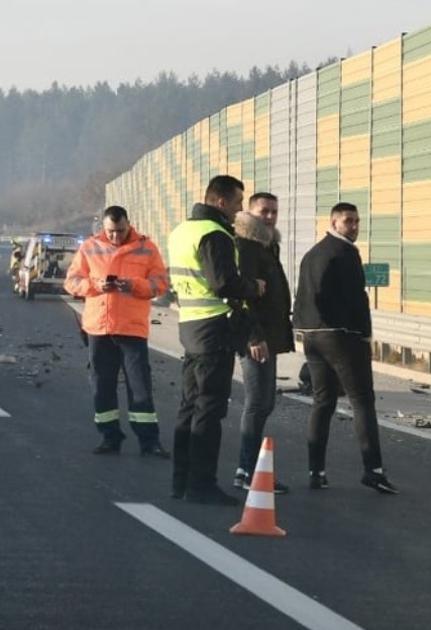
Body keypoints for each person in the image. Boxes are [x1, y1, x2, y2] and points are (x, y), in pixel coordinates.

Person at [167, 175, 265, 505]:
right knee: (210, 408)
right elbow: (223, 283)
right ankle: (202, 484)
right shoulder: (215, 234)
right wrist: (253, 287)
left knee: (189, 405)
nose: (240, 209)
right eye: (238, 203)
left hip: (189, 326)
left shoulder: (182, 230)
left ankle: (180, 481)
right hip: (214, 327)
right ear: (220, 202)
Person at [292, 202, 397, 494]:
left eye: (356, 221)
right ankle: (373, 470)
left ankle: (316, 471)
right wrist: (363, 335)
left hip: (312, 335)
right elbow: (356, 300)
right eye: (348, 221)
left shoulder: (312, 253)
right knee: (362, 400)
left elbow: (304, 294)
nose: (354, 226)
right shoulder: (345, 253)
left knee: (323, 401)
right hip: (340, 335)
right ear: (334, 222)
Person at [64, 205, 171, 456]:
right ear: (103, 226)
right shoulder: (90, 246)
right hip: (98, 329)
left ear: (128, 224)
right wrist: (97, 285)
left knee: (140, 386)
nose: (115, 237)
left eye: (120, 231)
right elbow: (72, 281)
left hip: (131, 329)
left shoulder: (146, 247)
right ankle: (109, 436)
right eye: (111, 232)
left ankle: (149, 441)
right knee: (102, 385)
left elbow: (160, 284)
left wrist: (133, 285)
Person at [232, 192, 294, 493]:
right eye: (264, 212)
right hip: (256, 338)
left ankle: (251, 468)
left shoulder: (268, 245)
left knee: (265, 402)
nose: (269, 217)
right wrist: (253, 336)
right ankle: (246, 470)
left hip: (270, 335)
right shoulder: (246, 245)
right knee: (257, 403)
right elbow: (242, 294)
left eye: (274, 212)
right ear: (250, 212)